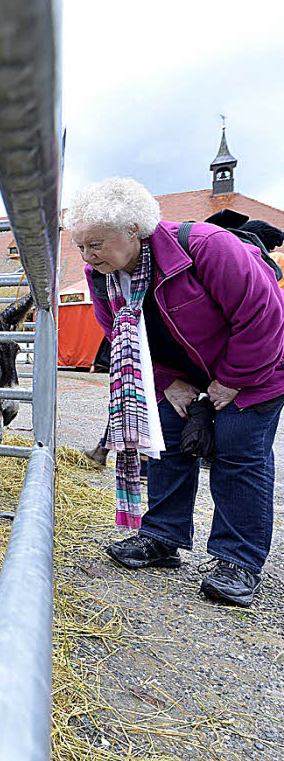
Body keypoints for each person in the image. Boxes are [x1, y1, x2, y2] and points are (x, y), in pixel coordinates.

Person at [67, 177, 284, 607]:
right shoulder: (103, 276)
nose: (87, 257)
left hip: (256, 367)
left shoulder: (207, 247)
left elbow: (263, 316)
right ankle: (162, 536)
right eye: (80, 247)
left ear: (133, 230)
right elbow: (115, 329)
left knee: (238, 452)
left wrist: (233, 379)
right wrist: (167, 384)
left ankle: (238, 561)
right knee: (163, 445)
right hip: (179, 374)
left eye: (95, 244)